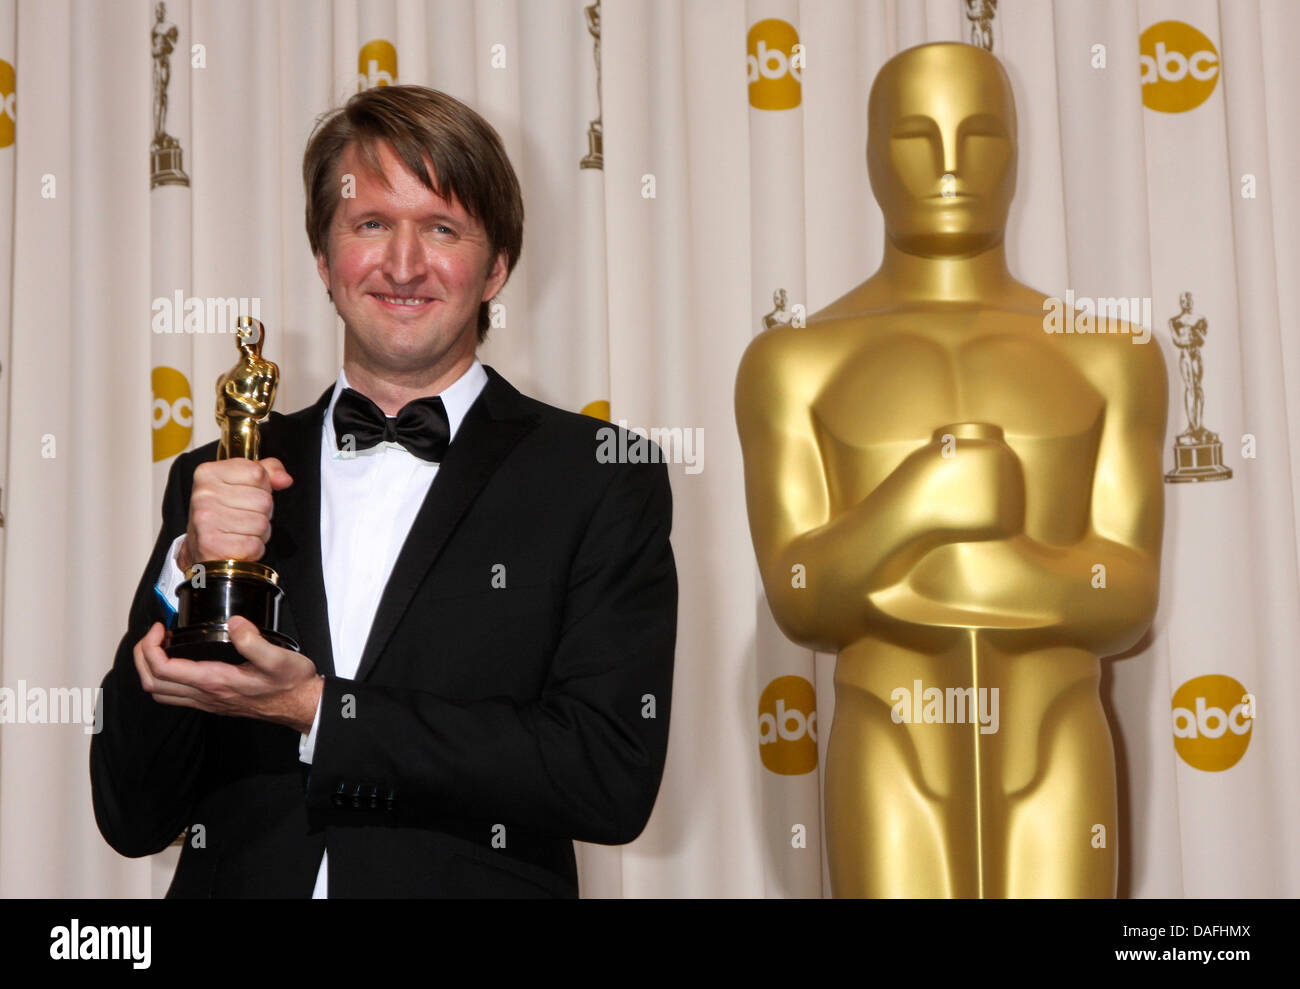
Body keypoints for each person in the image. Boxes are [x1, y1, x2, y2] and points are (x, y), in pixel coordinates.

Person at [90, 84, 678, 898]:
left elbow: (608, 774)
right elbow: (130, 808)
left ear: (497, 266)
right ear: (325, 260)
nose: (403, 265)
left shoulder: (600, 476)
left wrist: (316, 710)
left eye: (441, 228)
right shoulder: (221, 473)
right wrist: (189, 568)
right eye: (370, 225)